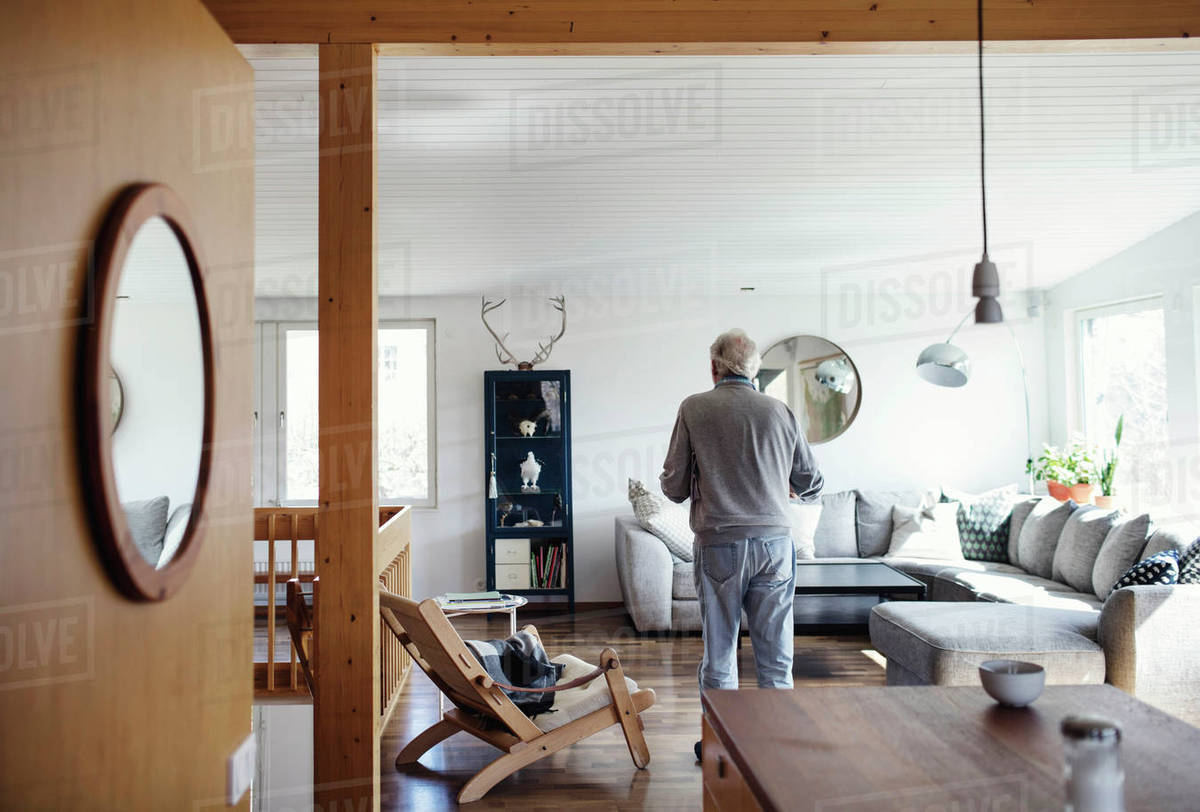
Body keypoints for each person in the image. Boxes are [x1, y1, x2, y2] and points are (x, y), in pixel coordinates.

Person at [659, 329, 823, 760]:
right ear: (754, 370)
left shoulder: (694, 408)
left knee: (720, 653)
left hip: (720, 546)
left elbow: (674, 488)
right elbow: (812, 481)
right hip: (774, 547)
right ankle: (777, 746)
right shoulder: (780, 411)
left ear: (714, 366)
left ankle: (722, 746)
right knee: (775, 654)